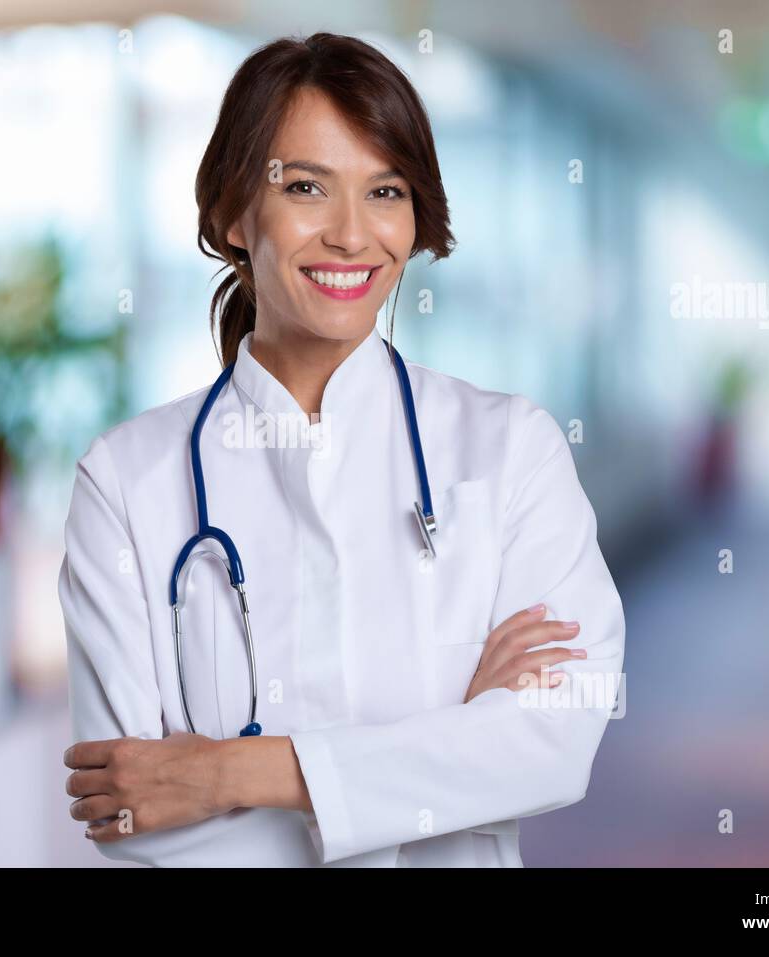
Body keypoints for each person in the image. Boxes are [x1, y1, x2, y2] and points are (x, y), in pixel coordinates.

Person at [58, 32, 625, 867]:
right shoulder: (126, 481)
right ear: (231, 214)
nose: (352, 234)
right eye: (306, 187)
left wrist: (231, 771)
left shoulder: (511, 452)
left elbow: (554, 740)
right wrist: (457, 741)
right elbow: (134, 808)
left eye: (385, 191)